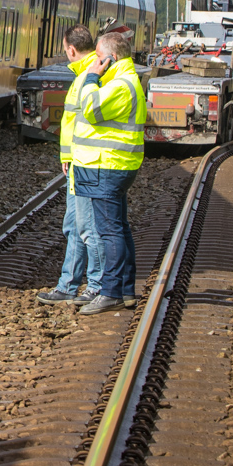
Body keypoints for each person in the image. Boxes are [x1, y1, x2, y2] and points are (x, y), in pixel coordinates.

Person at [66, 29, 147, 315]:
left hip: (107, 165)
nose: (94, 62)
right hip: (112, 164)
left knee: (109, 231)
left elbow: (90, 109)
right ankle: (125, 291)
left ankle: (111, 292)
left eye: (98, 57)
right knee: (119, 229)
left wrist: (90, 77)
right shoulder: (123, 80)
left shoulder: (120, 84)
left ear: (111, 58)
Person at [38, 26, 106, 306]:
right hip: (78, 162)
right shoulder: (86, 74)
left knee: (88, 227)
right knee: (74, 226)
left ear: (70, 49)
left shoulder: (91, 76)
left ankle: (96, 285)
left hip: (89, 163)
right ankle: (68, 285)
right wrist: (67, 157)